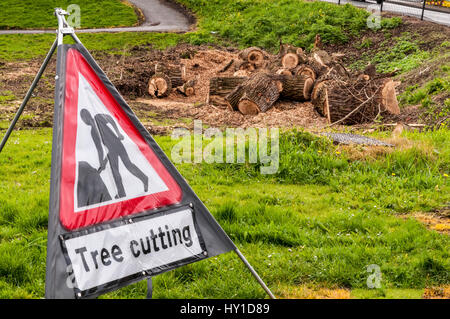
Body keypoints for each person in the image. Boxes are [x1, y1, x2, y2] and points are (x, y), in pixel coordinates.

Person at [80, 108, 149, 199]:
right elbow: (99, 149)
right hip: (110, 151)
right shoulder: (93, 132)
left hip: (117, 144)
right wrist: (101, 163)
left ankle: (144, 178)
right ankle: (121, 193)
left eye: (83, 119)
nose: (83, 121)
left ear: (85, 117)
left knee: (128, 165)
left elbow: (110, 119)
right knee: (115, 171)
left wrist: (118, 133)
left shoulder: (98, 118)